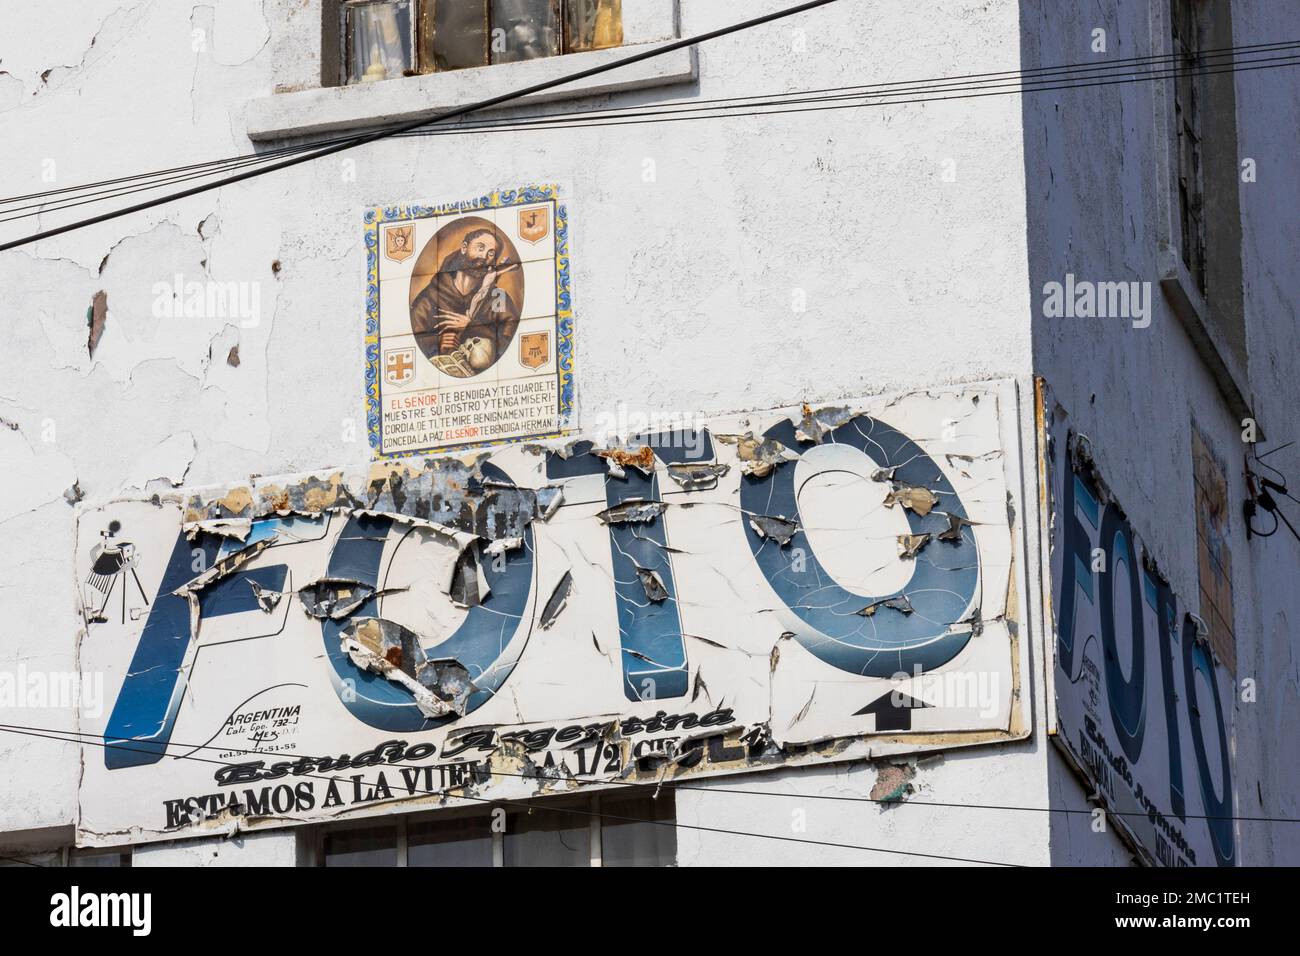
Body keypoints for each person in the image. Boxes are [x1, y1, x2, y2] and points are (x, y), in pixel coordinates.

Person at [410, 228, 521, 369]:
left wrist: (473, 325)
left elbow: (511, 337)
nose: (484, 256)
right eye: (480, 248)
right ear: (464, 248)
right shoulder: (432, 295)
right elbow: (410, 337)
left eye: (491, 253)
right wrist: (437, 342)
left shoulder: (496, 297)